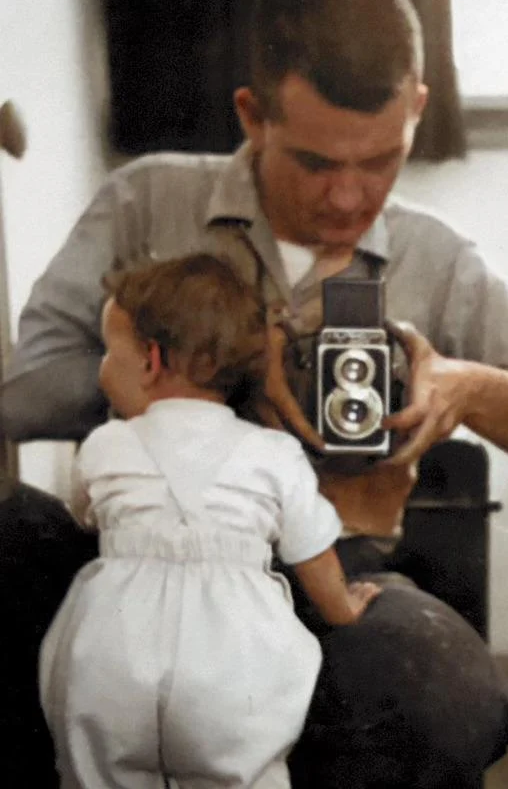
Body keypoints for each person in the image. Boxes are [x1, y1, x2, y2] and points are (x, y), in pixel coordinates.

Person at [1, 0, 508, 787]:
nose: (350, 199)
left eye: (383, 160)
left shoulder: (436, 256)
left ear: (418, 109)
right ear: (253, 115)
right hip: (135, 556)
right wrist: (220, 382)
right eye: (316, 162)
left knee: (444, 697)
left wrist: (465, 385)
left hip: (337, 569)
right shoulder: (147, 203)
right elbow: (25, 394)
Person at [39, 253, 381, 789]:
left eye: (109, 351)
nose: (103, 367)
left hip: (111, 657)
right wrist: (343, 607)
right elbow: (313, 549)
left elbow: (85, 514)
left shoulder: (107, 445)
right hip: (234, 667)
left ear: (152, 360)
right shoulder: (274, 453)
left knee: (99, 773)